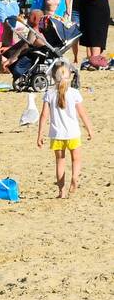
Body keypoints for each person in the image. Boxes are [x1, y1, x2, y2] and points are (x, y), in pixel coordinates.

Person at [37, 61, 94, 198]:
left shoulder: (49, 94)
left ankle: (61, 191)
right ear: (69, 77)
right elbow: (82, 114)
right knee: (76, 159)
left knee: (60, 161)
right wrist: (89, 130)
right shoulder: (74, 93)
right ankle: (74, 178)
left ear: (53, 77)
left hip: (57, 135)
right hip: (73, 133)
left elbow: (44, 116)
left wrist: (40, 134)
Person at [73, 0, 110, 64]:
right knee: (94, 34)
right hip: (94, 13)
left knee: (96, 35)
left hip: (97, 14)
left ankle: (95, 59)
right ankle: (94, 59)